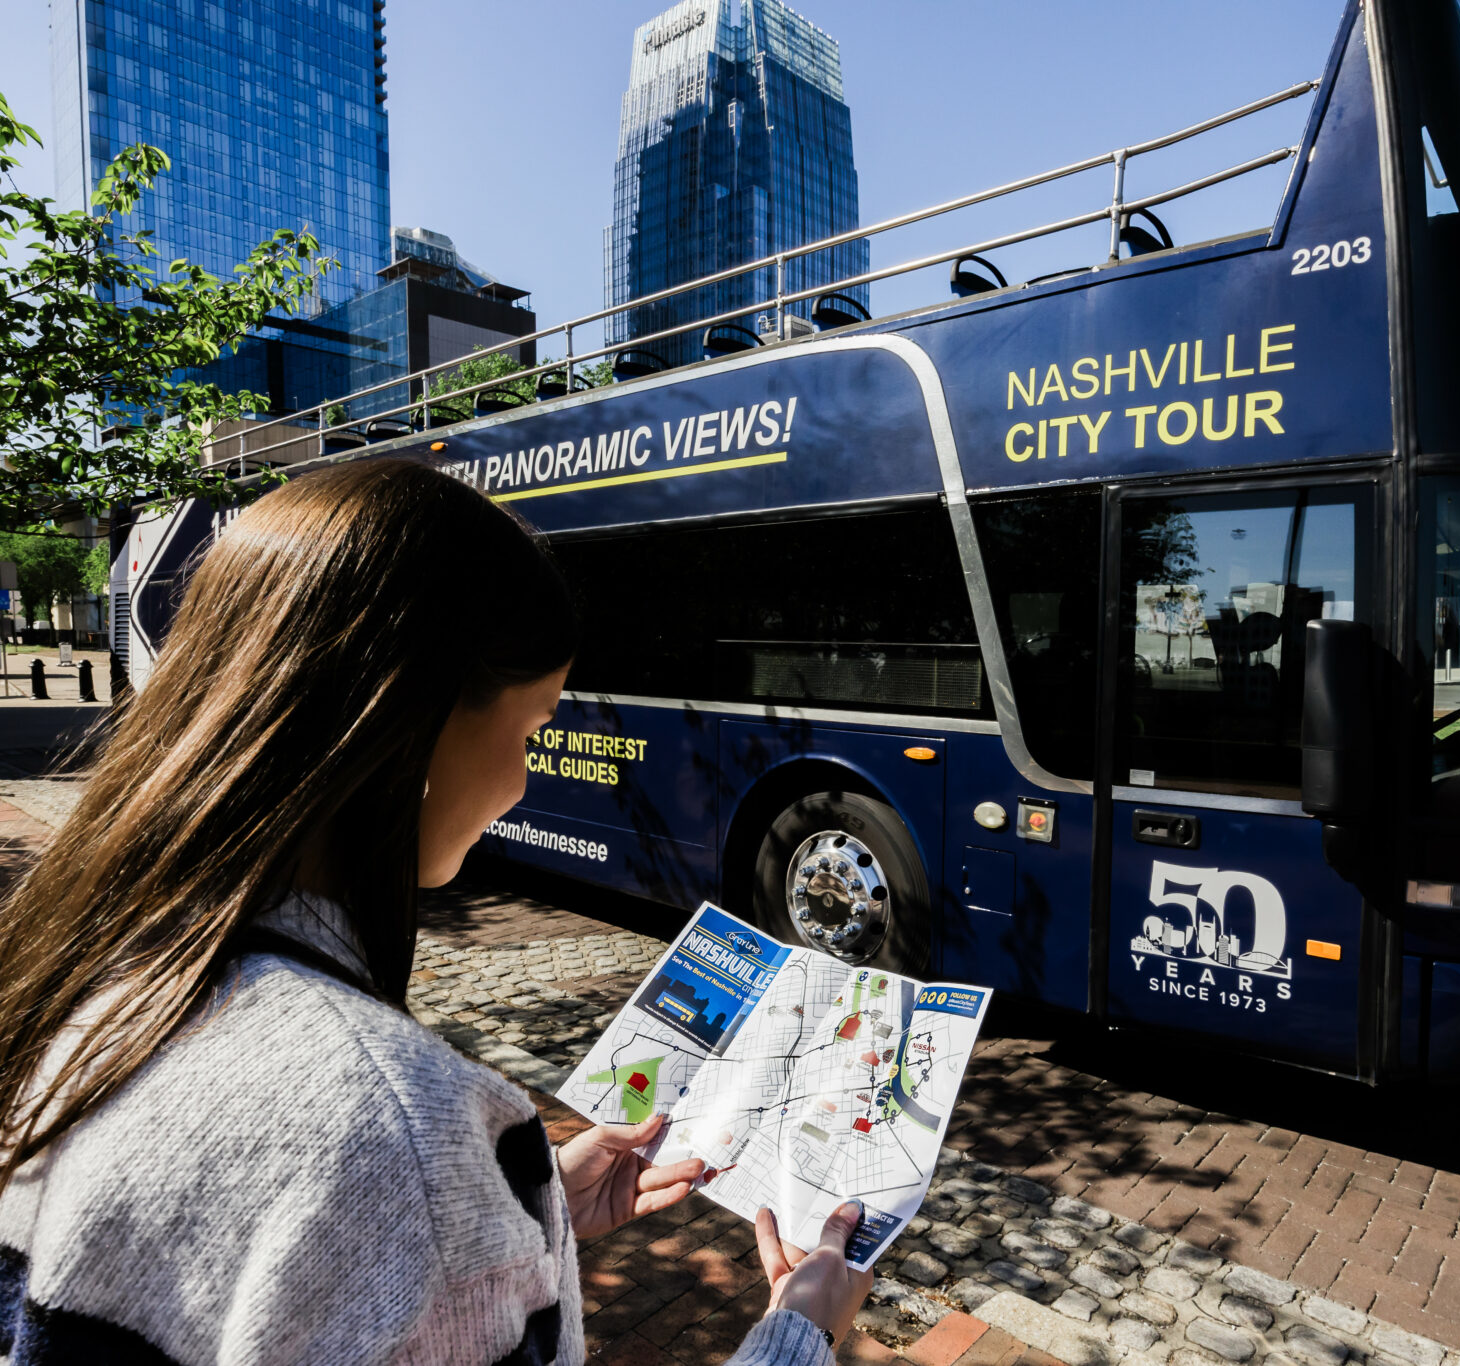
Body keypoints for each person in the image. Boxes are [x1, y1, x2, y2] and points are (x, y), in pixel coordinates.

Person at [0, 460, 872, 1364]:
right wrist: (798, 1334)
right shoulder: (396, 1133)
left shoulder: (83, 967)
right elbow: (367, 1218)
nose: (525, 781)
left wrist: (520, 1215)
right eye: (530, 729)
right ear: (411, 723)